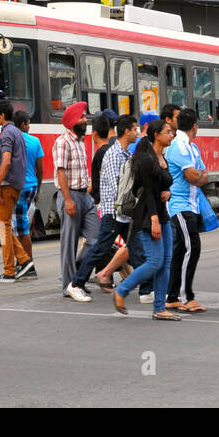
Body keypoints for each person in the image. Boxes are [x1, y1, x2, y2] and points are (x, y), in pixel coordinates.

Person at [113, 120, 179, 320]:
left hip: (162, 214)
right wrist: (154, 220)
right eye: (168, 132)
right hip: (148, 216)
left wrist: (167, 192)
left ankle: (159, 308)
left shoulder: (161, 156)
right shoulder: (146, 159)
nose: (171, 135)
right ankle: (121, 291)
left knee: (165, 262)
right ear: (156, 135)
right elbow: (148, 192)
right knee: (155, 261)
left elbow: (161, 185)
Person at [69, 115, 138, 301]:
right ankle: (76, 284)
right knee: (100, 248)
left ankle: (149, 286)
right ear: (126, 132)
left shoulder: (126, 154)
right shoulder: (115, 155)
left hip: (121, 212)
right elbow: (119, 186)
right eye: (134, 129)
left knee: (136, 247)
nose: (137, 133)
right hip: (113, 211)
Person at [165, 108, 208, 313]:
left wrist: (198, 175)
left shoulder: (192, 147)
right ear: (194, 126)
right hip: (179, 205)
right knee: (193, 248)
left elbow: (203, 173)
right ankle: (186, 297)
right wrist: (198, 176)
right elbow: (194, 176)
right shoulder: (179, 146)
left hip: (191, 204)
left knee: (181, 250)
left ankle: (172, 296)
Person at [54, 101, 97, 297]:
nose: (85, 120)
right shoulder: (63, 142)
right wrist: (68, 199)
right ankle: (69, 286)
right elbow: (60, 172)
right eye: (82, 117)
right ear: (73, 121)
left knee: (97, 239)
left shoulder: (80, 141)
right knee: (69, 244)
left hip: (84, 195)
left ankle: (77, 276)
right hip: (70, 195)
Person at [0, 100, 34, 283]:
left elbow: (6, 161)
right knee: (3, 224)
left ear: (2, 116)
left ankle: (9, 271)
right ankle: (24, 260)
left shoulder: (6, 134)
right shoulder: (17, 132)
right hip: (16, 185)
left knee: (2, 226)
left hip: (6, 186)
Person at [13, 109, 44, 273]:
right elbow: (40, 169)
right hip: (31, 187)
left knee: (20, 229)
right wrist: (38, 189)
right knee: (23, 224)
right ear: (23, 124)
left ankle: (27, 264)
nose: (29, 126)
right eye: (28, 123)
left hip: (19, 188)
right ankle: (23, 261)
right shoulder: (35, 141)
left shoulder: (12, 141)